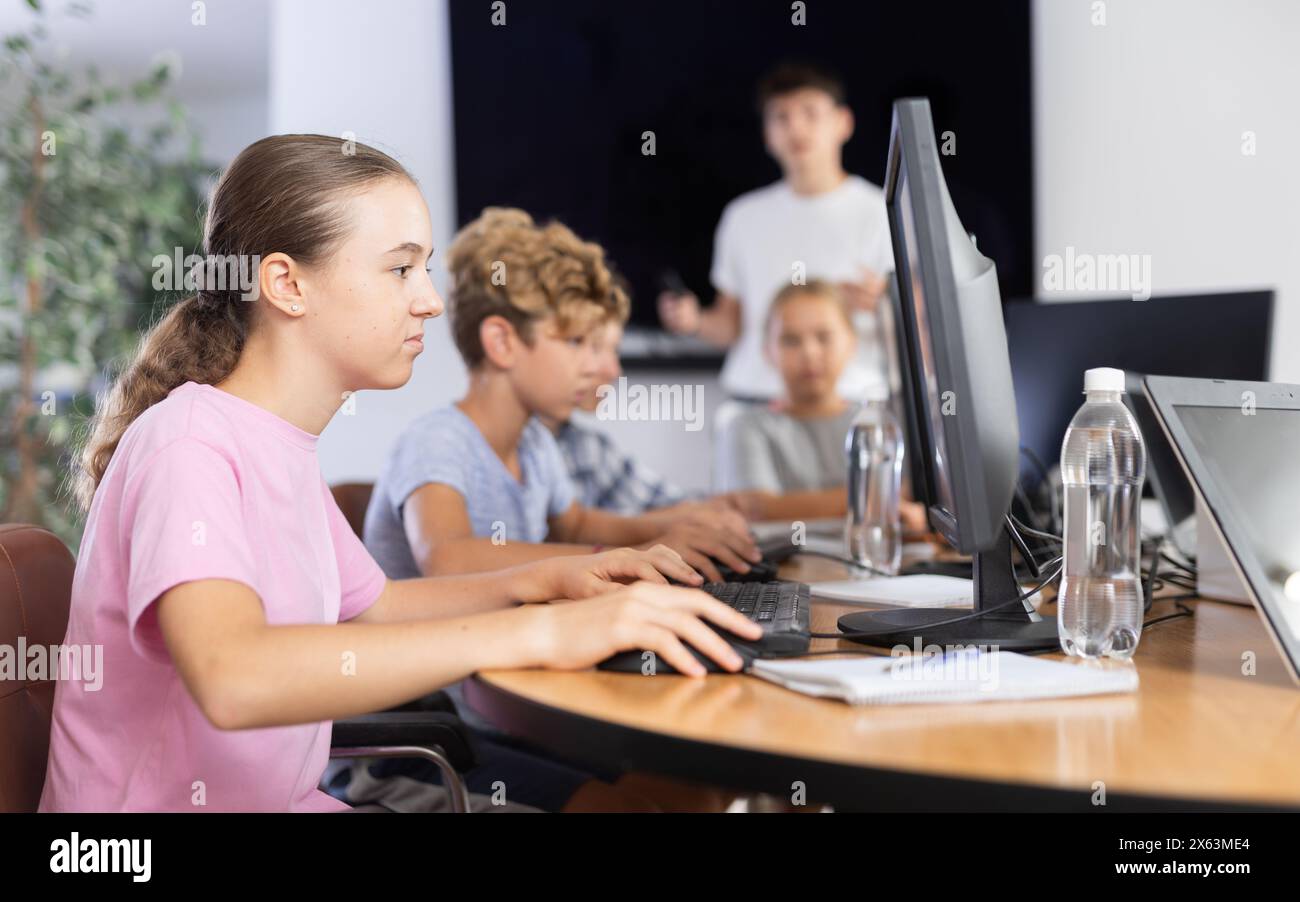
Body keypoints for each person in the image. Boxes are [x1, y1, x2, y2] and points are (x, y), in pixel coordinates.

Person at [39, 135, 760, 814]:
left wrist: (547, 582)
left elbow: (375, 608)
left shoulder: (276, 444)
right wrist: (539, 634)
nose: (431, 299)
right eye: (400, 268)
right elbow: (234, 674)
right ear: (287, 284)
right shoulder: (189, 443)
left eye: (426, 268)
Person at [363, 207, 761, 587]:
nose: (597, 366)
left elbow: (576, 526)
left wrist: (673, 530)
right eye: (576, 342)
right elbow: (449, 559)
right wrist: (628, 553)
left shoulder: (534, 442)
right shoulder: (437, 440)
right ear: (502, 342)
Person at [658, 62, 893, 403]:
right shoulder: (743, 217)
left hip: (850, 402)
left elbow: (926, 328)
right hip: (756, 399)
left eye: (810, 112)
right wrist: (694, 321)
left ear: (844, 122)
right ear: (767, 134)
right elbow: (731, 325)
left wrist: (889, 304)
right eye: (781, 117)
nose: (796, 126)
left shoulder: (882, 212)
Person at [717, 280, 927, 532]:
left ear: (852, 343)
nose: (809, 353)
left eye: (824, 337)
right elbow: (757, 509)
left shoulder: (881, 424)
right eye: (791, 340)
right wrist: (880, 495)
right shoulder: (746, 426)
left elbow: (911, 502)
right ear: (767, 351)